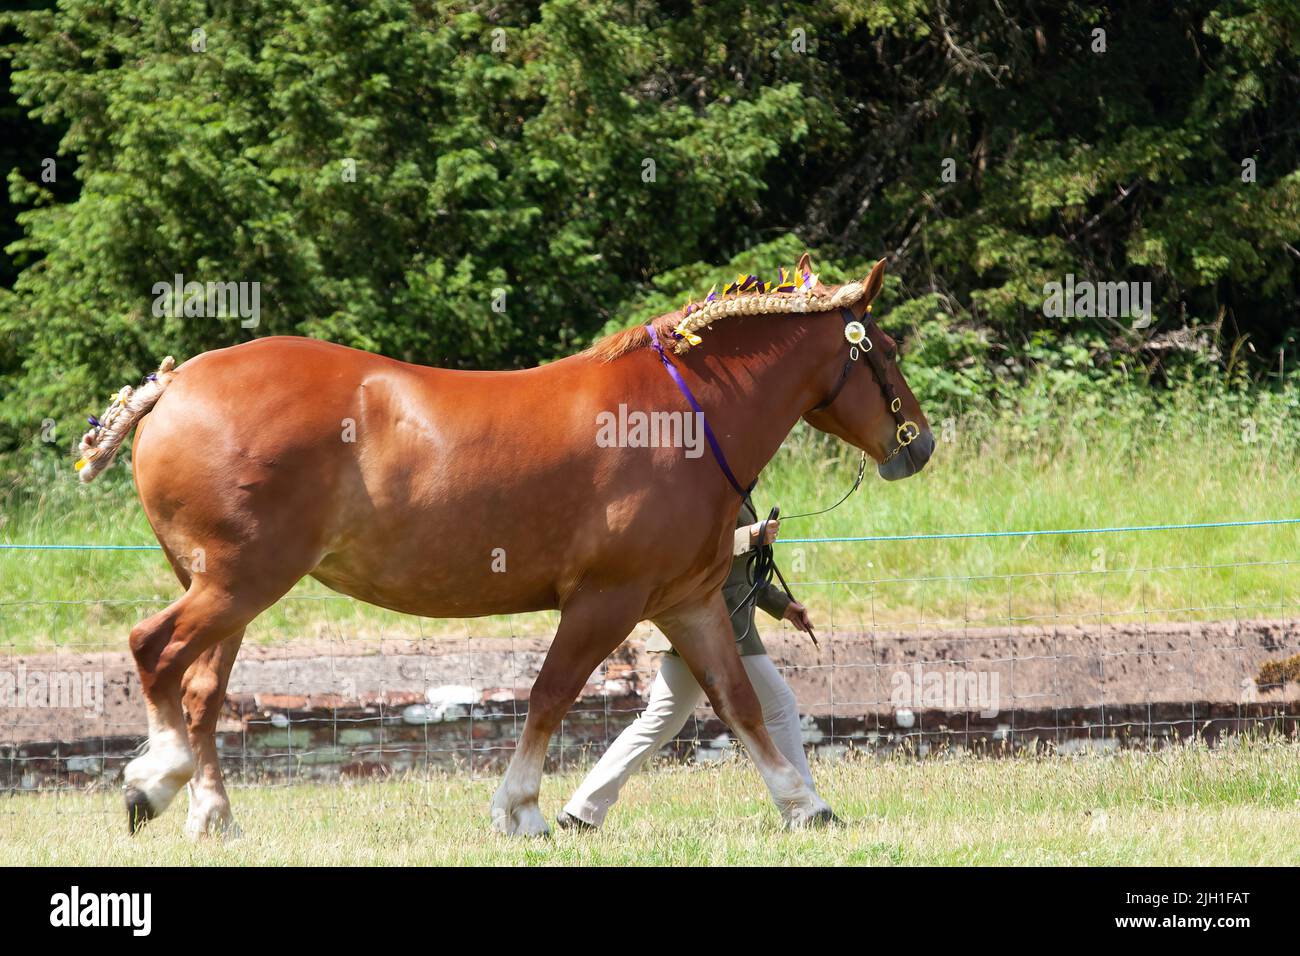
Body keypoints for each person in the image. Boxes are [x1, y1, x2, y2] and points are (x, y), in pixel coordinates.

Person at [557, 500, 826, 830]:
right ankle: (806, 810)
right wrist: (748, 537)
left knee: (659, 721)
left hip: (712, 624)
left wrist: (781, 605)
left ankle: (582, 809)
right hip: (715, 629)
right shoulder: (708, 482)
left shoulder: (739, 482)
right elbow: (690, 551)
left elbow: (740, 574)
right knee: (780, 706)